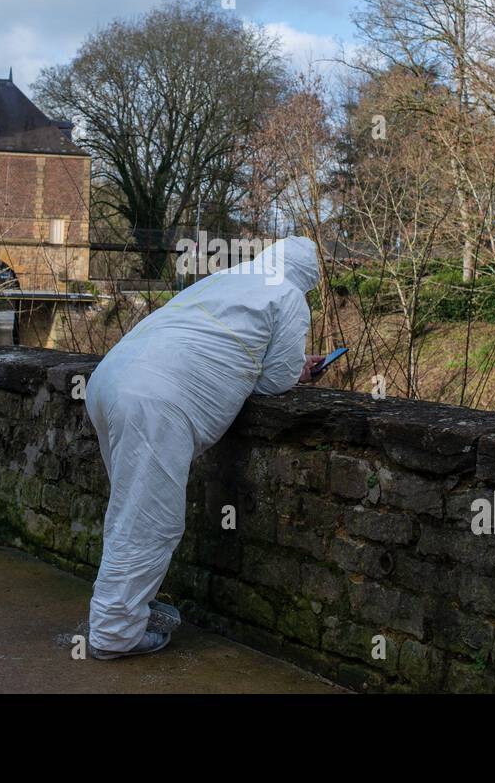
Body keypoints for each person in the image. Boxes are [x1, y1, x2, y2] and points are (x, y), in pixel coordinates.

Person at [83, 235, 323, 659]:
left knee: (129, 510)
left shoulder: (230, 276)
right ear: (307, 278)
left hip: (110, 379)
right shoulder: (289, 296)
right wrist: (299, 372)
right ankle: (114, 634)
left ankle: (131, 609)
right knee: (149, 520)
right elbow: (274, 380)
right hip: (156, 399)